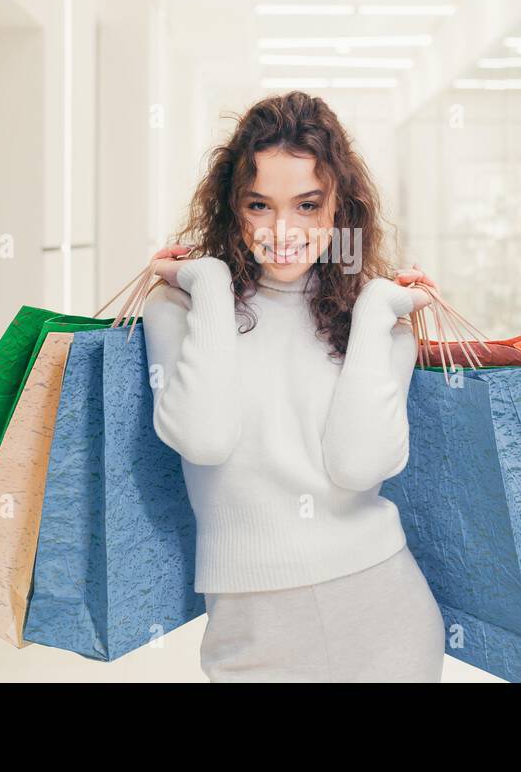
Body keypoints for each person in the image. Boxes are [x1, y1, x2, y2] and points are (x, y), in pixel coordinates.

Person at [140, 91, 446, 682]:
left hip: (384, 613)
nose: (283, 230)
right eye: (260, 204)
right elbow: (203, 439)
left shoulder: (379, 319)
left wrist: (379, 309)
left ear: (339, 209)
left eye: (308, 205)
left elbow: (359, 467)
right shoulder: (180, 310)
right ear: (233, 208)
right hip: (250, 633)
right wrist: (209, 283)